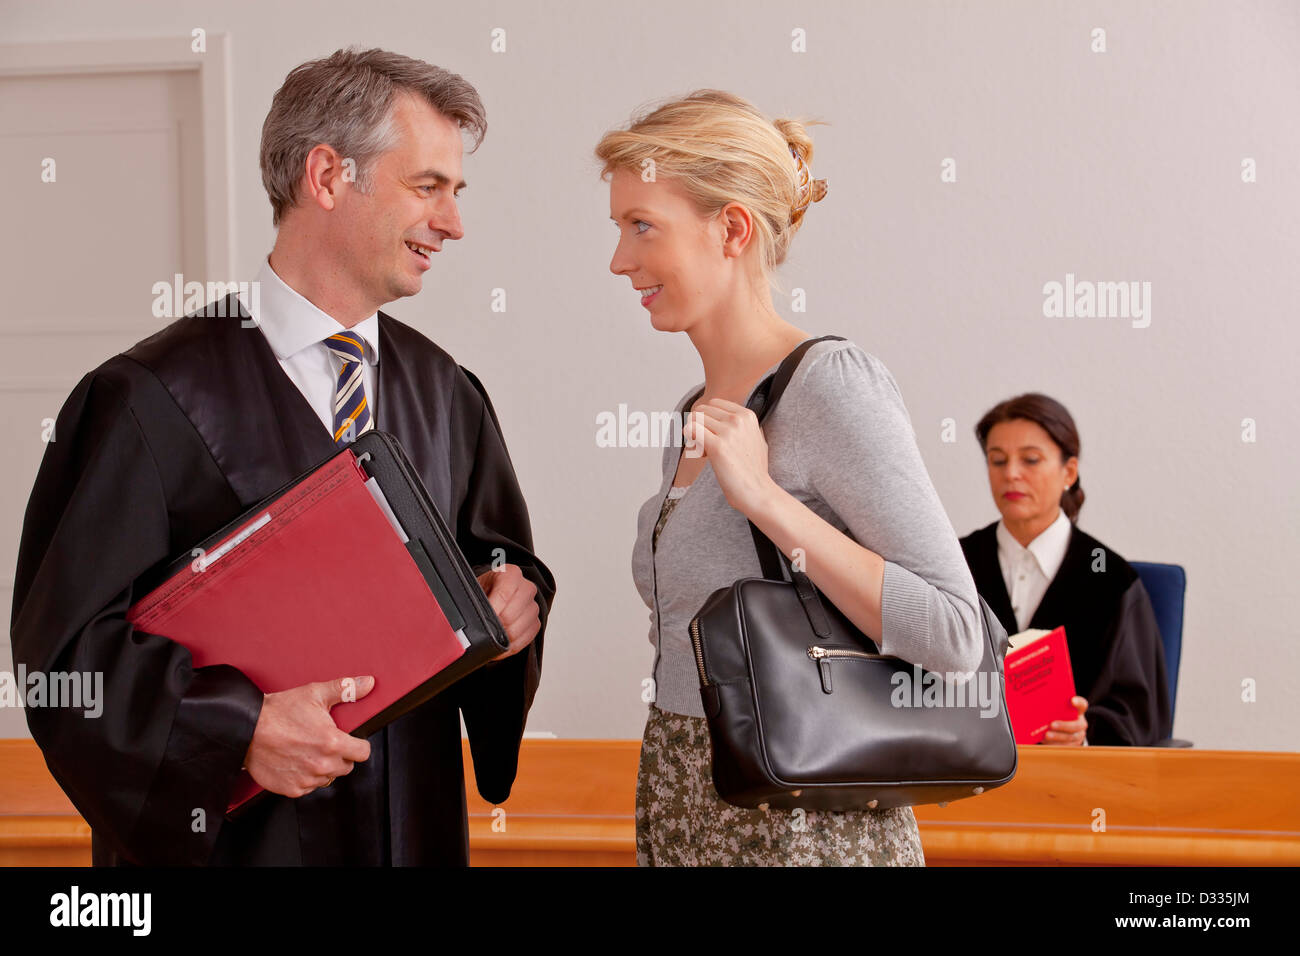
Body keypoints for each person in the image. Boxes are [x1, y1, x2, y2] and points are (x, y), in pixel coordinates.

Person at [9, 47, 555, 865]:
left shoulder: (446, 392)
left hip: (413, 828)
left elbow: (498, 563)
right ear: (328, 176)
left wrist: (514, 603)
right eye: (428, 186)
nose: (453, 223)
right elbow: (69, 657)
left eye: (456, 192)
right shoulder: (146, 397)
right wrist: (233, 732)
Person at [596, 90, 985, 866]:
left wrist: (767, 502)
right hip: (686, 805)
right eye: (618, 229)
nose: (620, 260)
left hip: (806, 831)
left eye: (643, 226)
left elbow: (955, 633)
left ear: (731, 228)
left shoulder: (831, 385)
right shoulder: (694, 414)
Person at [959, 393, 1171, 746]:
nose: (1011, 474)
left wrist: (1085, 734)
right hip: (970, 778)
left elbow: (1142, 713)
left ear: (1068, 472)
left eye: (1030, 460)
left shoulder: (1112, 581)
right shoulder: (957, 564)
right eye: (998, 461)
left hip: (1076, 784)